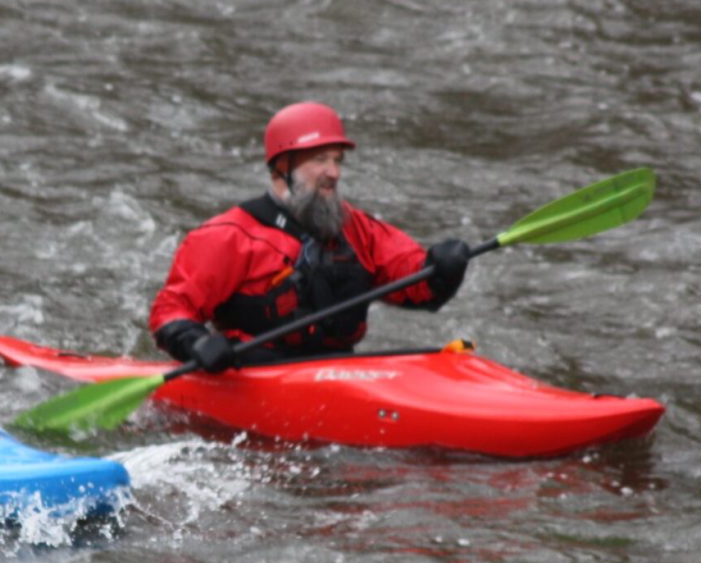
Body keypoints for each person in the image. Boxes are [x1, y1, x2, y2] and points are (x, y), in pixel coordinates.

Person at [149, 101, 471, 372]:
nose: (334, 172)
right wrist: (198, 343)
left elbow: (415, 281)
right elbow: (171, 310)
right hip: (254, 376)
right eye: (320, 159)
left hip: (337, 374)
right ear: (282, 167)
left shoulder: (357, 228)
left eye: (337, 160)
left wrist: (442, 267)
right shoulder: (228, 237)